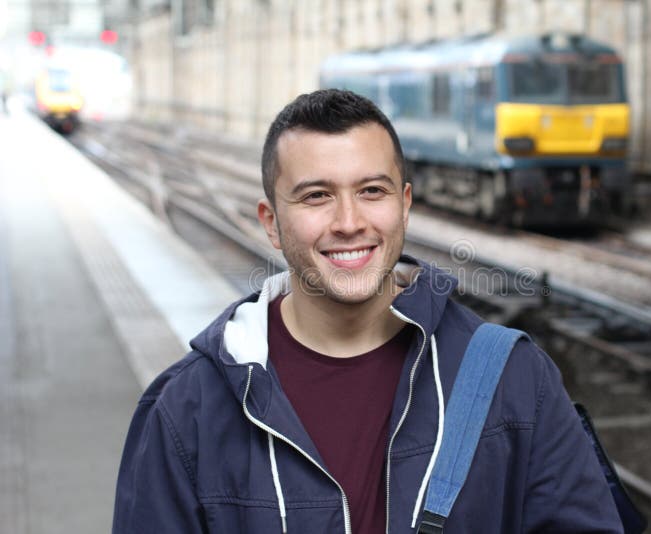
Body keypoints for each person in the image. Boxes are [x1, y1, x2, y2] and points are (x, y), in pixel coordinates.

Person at [112, 89, 623, 533]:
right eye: (316, 196)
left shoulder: (515, 380)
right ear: (271, 223)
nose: (349, 222)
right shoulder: (187, 409)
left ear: (404, 205)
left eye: (371, 191)